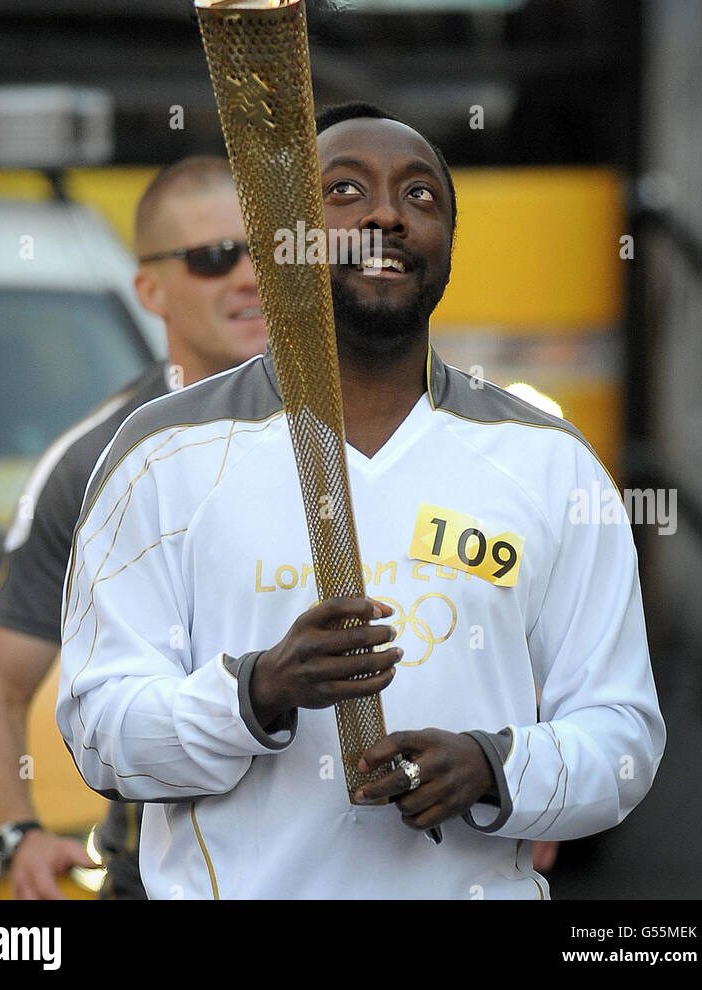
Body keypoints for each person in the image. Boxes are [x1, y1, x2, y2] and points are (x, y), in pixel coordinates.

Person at [57, 103, 666, 900]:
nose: (387, 213)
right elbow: (102, 735)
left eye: (420, 198)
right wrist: (258, 692)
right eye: (344, 191)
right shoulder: (162, 454)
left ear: (447, 246)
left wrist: (493, 766)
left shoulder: (549, 462)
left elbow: (622, 738)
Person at [0, 156, 267, 900]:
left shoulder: (372, 420)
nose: (249, 277)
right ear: (150, 289)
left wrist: (516, 778)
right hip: (164, 883)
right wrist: (18, 835)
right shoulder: (95, 463)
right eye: (214, 258)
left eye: (267, 249)